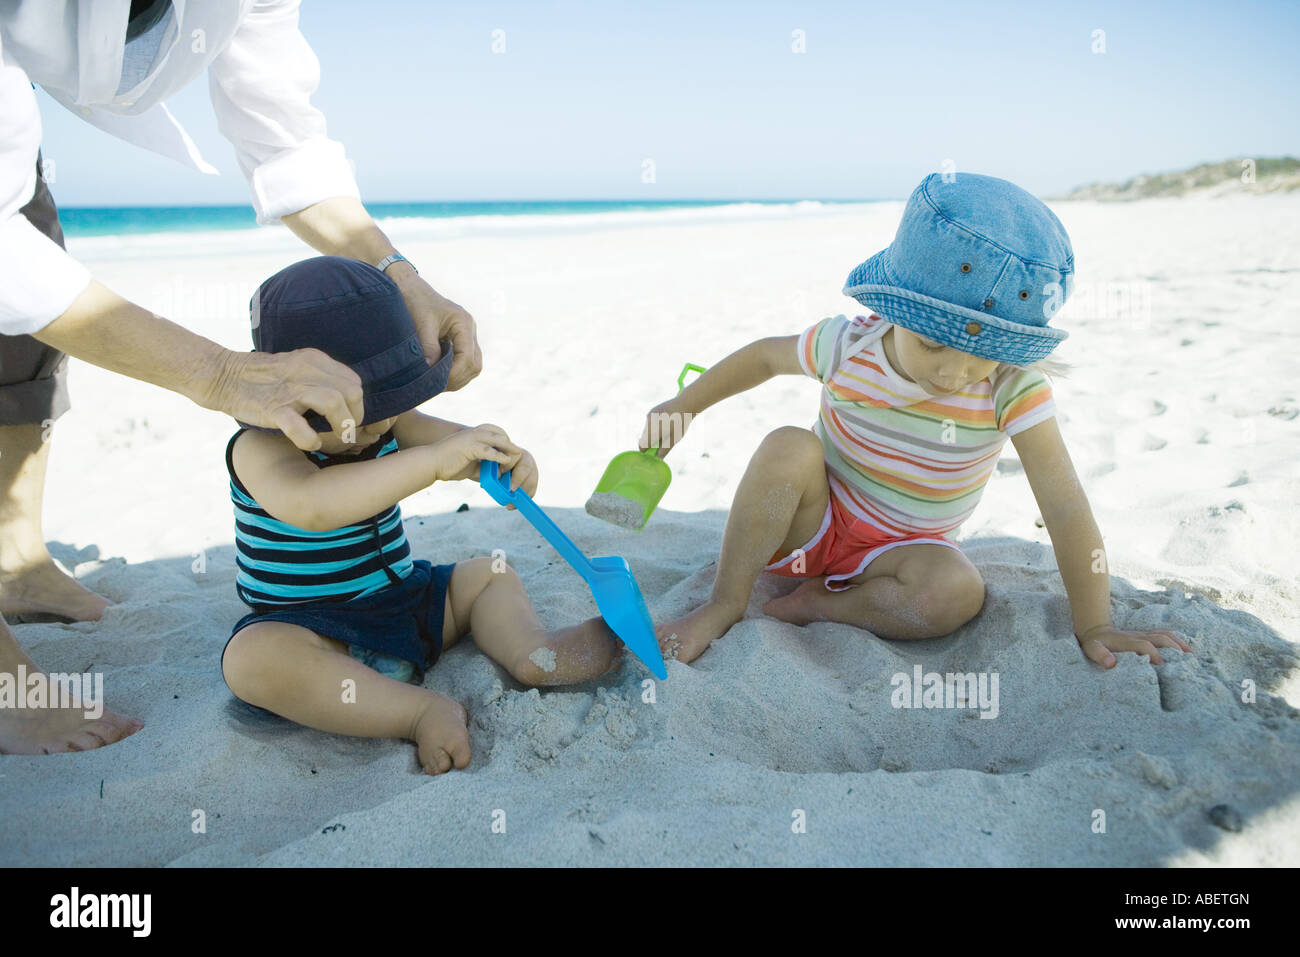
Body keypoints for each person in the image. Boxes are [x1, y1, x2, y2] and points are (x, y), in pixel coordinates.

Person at [0, 0, 482, 755]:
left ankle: (16, 561)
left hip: (389, 601)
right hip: (301, 627)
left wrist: (401, 275)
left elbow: (284, 139)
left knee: (26, 322)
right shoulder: (261, 450)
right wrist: (218, 373)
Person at [642, 172, 1191, 668]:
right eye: (932, 344)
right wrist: (684, 405)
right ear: (895, 308)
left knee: (956, 593)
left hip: (901, 555)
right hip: (810, 526)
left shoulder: (1012, 388)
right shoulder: (850, 345)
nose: (953, 373)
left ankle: (824, 605)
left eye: (982, 354)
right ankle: (724, 604)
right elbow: (765, 356)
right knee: (788, 445)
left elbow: (1065, 505)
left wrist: (1096, 624)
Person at [220, 257, 621, 774]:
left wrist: (500, 456)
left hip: (408, 602)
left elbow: (459, 444)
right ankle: (417, 711)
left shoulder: (389, 421)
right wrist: (431, 464)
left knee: (489, 573)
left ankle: (532, 650)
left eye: (388, 403)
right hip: (315, 628)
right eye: (356, 414)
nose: (377, 426)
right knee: (252, 659)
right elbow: (313, 505)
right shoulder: (259, 448)